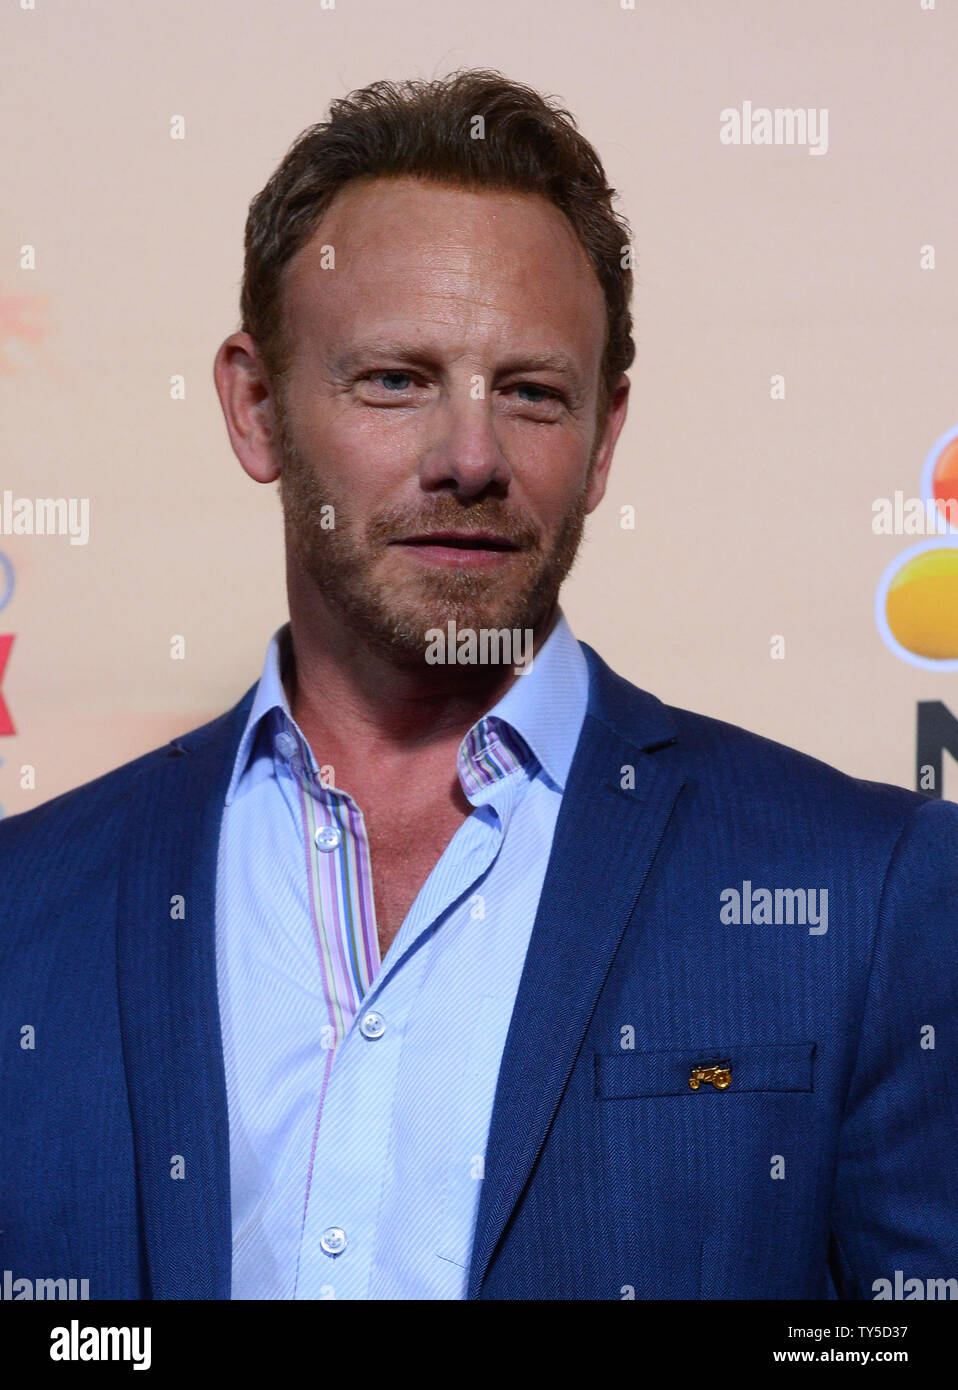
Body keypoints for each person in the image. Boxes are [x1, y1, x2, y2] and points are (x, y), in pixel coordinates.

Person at [1, 69, 956, 1302]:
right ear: (254, 408)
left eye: (531, 392)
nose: (469, 458)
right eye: (394, 379)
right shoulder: (26, 910)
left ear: (605, 436)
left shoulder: (860, 893)